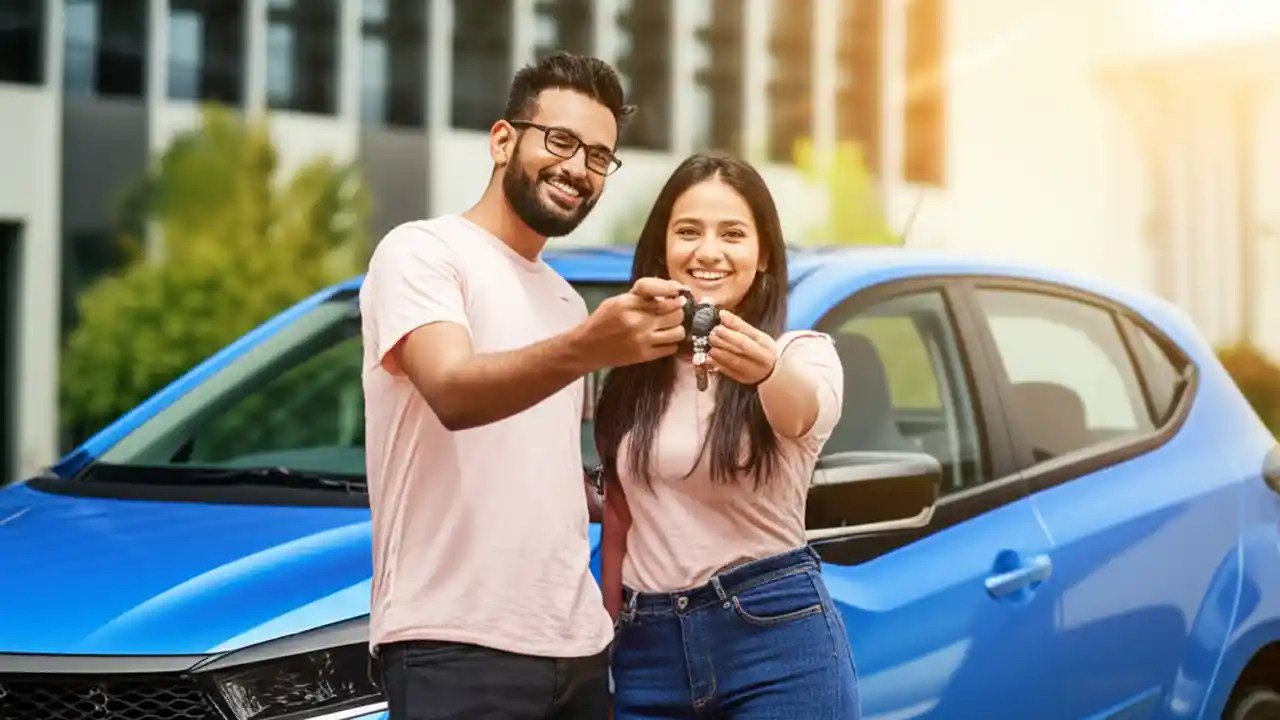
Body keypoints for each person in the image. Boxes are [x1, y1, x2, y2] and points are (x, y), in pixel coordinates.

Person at [359, 52, 690, 719]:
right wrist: (590, 348)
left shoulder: (566, 301)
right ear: (504, 139)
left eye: (599, 156)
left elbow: (533, 465)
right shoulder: (423, 252)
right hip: (453, 648)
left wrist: (627, 490)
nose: (578, 168)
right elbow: (452, 392)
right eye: (561, 141)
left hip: (578, 650)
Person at [595, 151, 860, 718]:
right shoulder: (630, 375)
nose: (708, 251)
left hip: (775, 635)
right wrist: (605, 638)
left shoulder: (800, 354)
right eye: (688, 231)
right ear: (663, 248)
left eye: (732, 234)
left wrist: (764, 369)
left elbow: (800, 412)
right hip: (646, 647)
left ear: (762, 255)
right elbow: (619, 516)